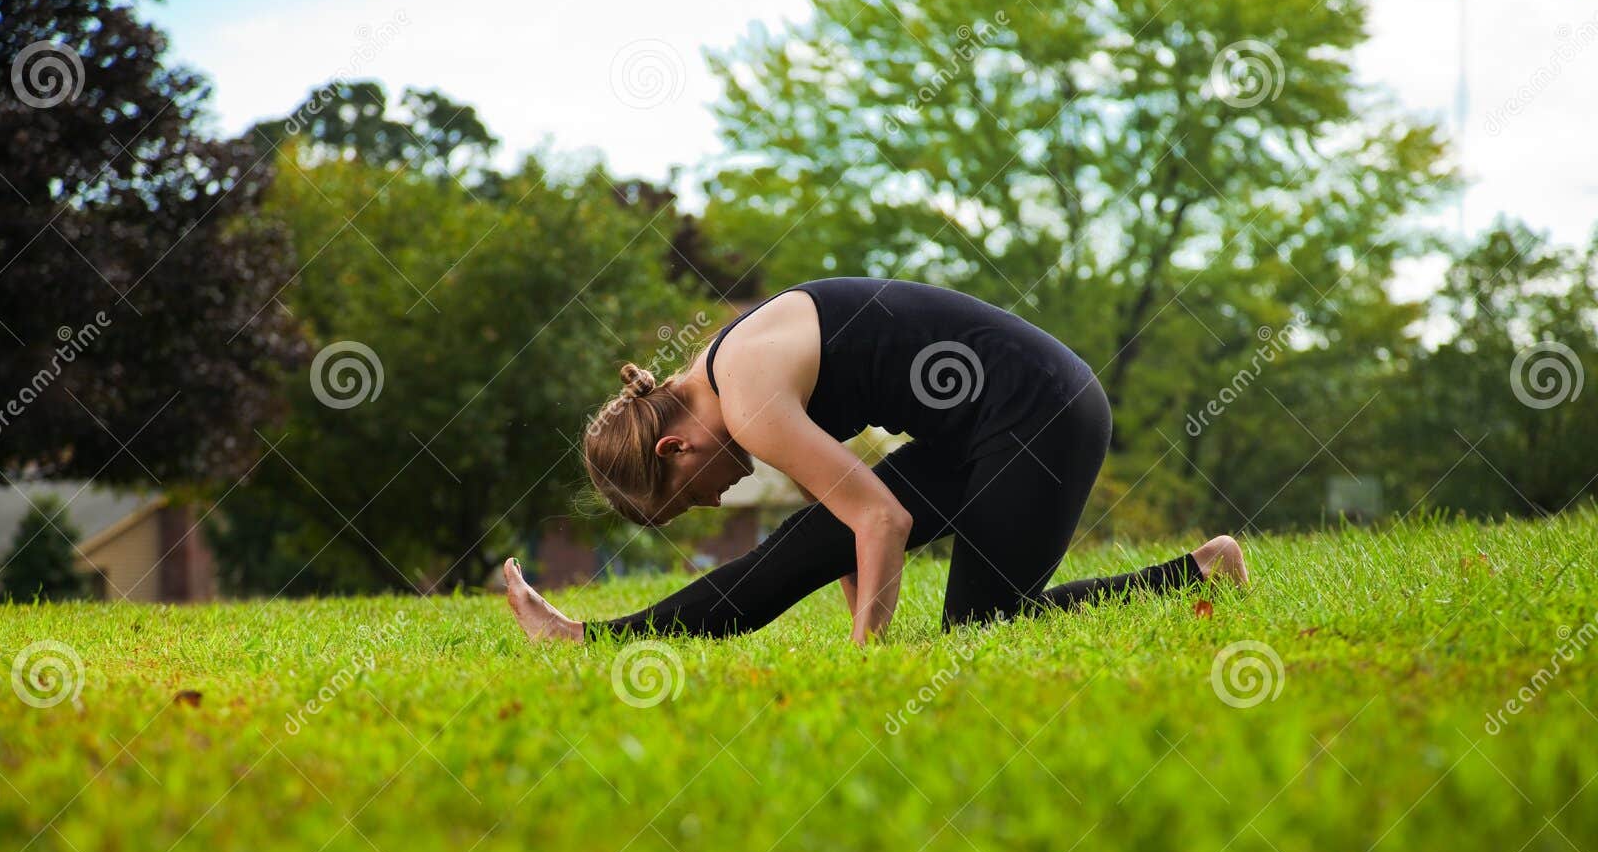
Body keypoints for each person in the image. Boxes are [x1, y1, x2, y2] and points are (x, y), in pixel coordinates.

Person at [503, 277, 1246, 645]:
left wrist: (870, 653)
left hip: (1038, 408)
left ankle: (1200, 572)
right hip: (980, 421)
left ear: (674, 447)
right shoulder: (722, 372)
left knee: (982, 624)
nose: (718, 499)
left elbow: (880, 518)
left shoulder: (749, 398)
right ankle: (588, 637)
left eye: (689, 498)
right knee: (789, 555)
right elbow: (831, 533)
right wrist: (861, 597)